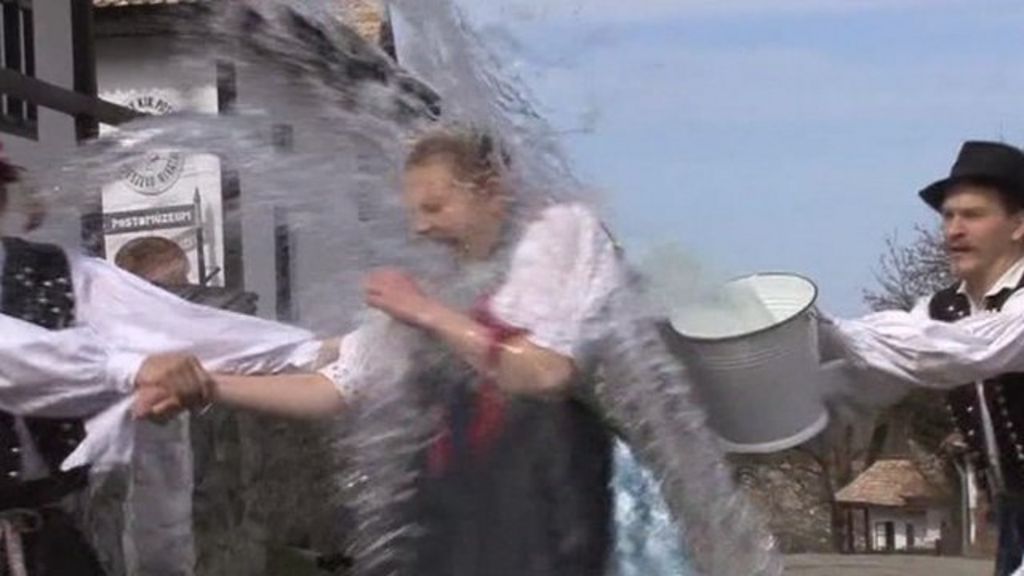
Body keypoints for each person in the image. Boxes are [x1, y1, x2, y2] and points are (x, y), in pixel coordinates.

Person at [151, 127, 621, 576]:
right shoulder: (446, 284)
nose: (420, 227)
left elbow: (545, 372)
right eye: (414, 212)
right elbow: (333, 384)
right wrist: (208, 384)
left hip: (545, 523)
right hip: (456, 525)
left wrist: (423, 311)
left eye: (434, 207)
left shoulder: (558, 232)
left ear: (493, 190)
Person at [0, 148, 331, 576]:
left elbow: (184, 330)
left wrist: (322, 351)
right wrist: (128, 368)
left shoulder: (56, 272)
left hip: (45, 542)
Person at [823, 140, 1024, 576]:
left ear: (1018, 225)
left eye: (972, 215)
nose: (953, 230)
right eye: (948, 216)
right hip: (1013, 514)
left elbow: (963, 350)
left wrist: (828, 330)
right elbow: (874, 377)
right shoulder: (940, 310)